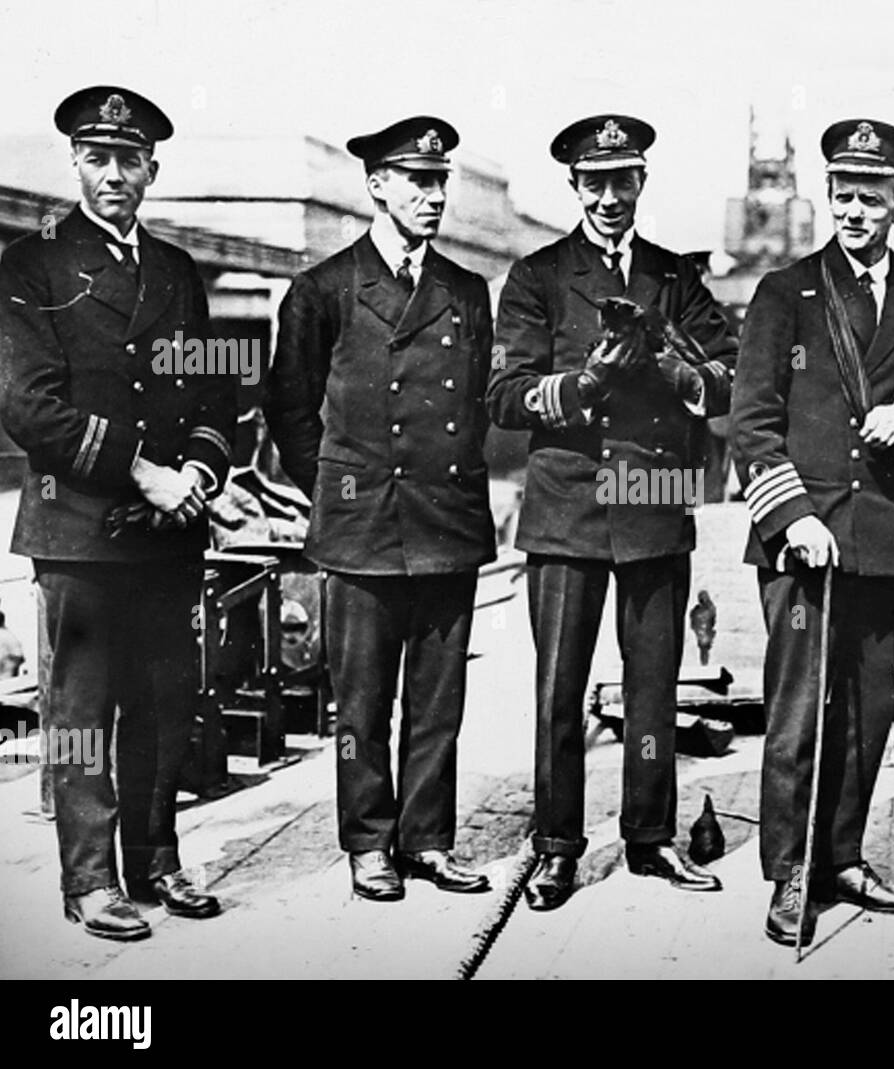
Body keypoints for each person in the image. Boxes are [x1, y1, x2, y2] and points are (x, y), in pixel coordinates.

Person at [0, 86, 235, 939]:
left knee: (165, 704)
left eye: (128, 160)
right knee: (78, 716)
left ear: (152, 170)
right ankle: (90, 879)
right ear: (75, 164)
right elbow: (30, 408)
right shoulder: (31, 268)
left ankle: (157, 858)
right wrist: (144, 472)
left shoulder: (176, 272)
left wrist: (202, 469)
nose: (112, 175)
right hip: (81, 534)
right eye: (96, 158)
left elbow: (216, 387)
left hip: (170, 532)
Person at [487, 114, 736, 911]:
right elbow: (503, 396)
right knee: (560, 687)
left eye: (621, 180)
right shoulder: (536, 277)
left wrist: (671, 365)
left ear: (640, 184)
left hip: (655, 503)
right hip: (567, 507)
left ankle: (651, 837)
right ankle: (557, 845)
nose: (608, 197)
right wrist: (585, 385)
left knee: (655, 684)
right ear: (575, 188)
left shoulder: (675, 278)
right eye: (593, 182)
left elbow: (730, 378)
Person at [730, 119, 894, 946]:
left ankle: (845, 857)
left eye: (872, 197)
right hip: (804, 539)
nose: (855, 211)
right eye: (843, 195)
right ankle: (791, 872)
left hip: (881, 536)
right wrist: (793, 517)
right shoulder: (784, 293)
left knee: (869, 707)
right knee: (798, 710)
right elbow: (750, 422)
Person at [264, 117, 495, 901]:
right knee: (362, 702)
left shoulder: (465, 291)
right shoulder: (322, 289)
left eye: (440, 182)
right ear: (377, 186)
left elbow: (476, 404)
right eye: (416, 181)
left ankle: (428, 839)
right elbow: (289, 408)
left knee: (438, 702)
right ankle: (369, 841)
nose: (433, 196)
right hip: (362, 528)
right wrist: (336, 489)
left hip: (447, 526)